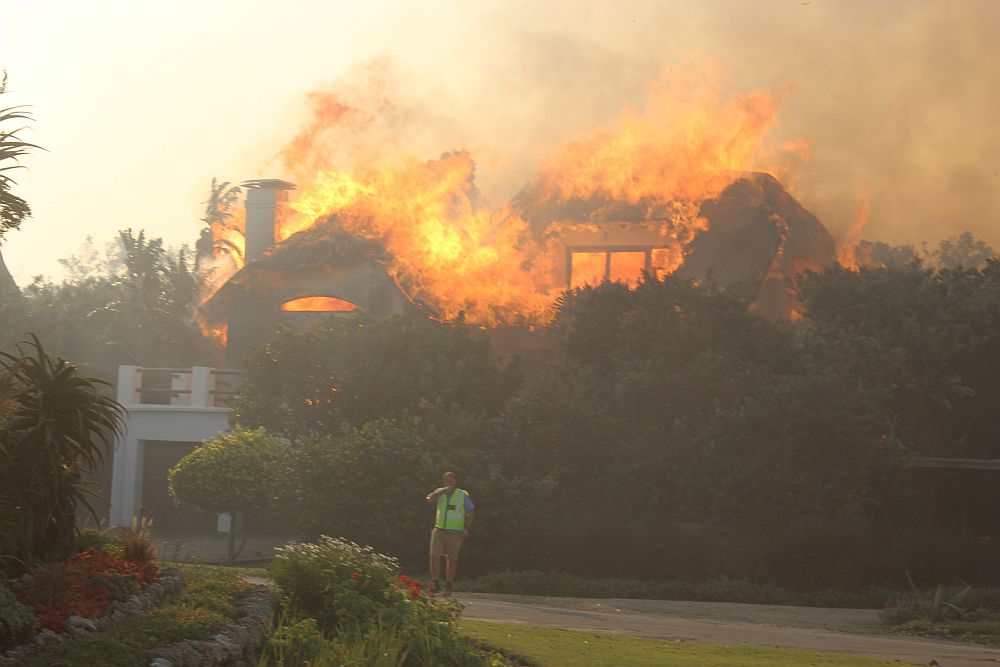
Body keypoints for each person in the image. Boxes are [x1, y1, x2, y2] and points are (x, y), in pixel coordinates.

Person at [425, 470, 474, 596]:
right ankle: (435, 584)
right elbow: (429, 499)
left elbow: (471, 510)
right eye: (446, 481)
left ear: (455, 482)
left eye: (451, 481)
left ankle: (449, 586)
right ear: (443, 482)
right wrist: (441, 491)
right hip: (439, 529)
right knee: (434, 555)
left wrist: (466, 527)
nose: (449, 483)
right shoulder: (440, 492)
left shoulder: (462, 495)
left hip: (455, 532)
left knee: (452, 559)